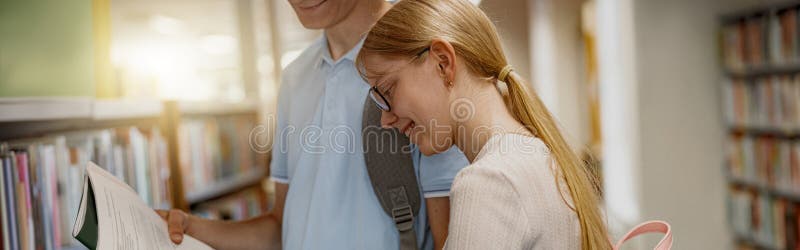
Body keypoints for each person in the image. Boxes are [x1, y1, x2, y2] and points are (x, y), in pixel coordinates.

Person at [157, 0, 468, 249]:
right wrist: (192, 226)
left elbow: (450, 241)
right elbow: (282, 227)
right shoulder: (295, 77)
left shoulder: (421, 64)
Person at [355, 0, 611, 249]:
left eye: (388, 90)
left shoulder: (489, 181)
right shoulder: (540, 156)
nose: (385, 120)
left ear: (443, 63)